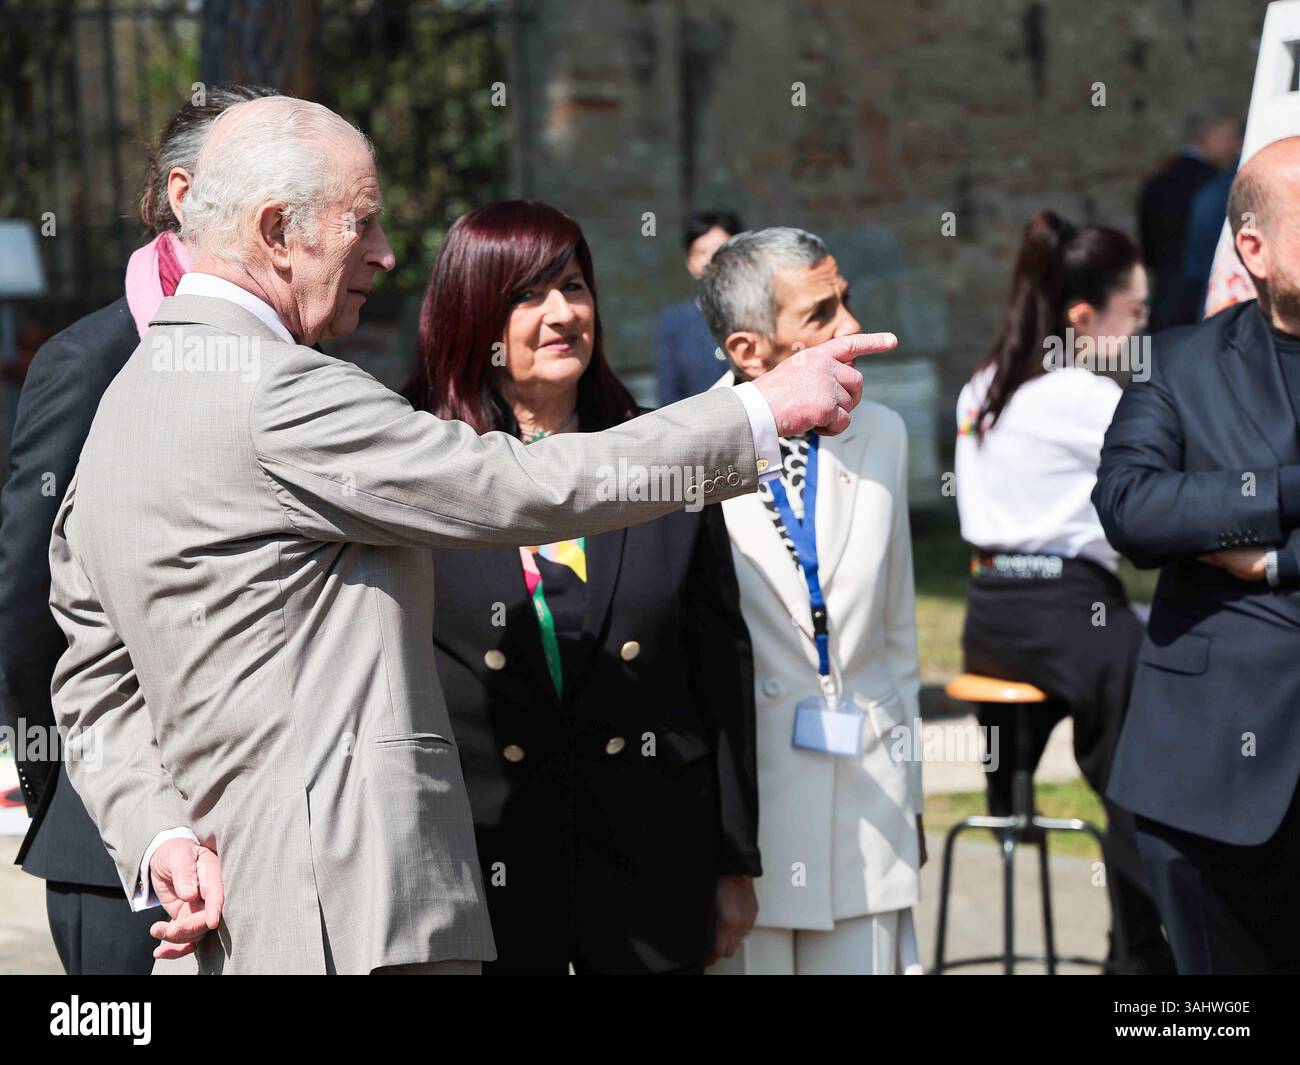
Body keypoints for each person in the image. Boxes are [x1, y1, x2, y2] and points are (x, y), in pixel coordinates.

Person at [47, 96, 891, 974]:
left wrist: (161, 833)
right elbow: (517, 482)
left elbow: (92, 680)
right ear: (277, 232)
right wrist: (760, 408)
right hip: (350, 920)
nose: (385, 253)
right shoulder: (282, 393)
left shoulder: (121, 410)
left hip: (230, 925)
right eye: (363, 224)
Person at [402, 200, 760, 974]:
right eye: (527, 294)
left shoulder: (664, 452)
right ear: (475, 316)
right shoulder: (416, 467)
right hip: (482, 865)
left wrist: (734, 861)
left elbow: (718, 666)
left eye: (573, 285)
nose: (561, 313)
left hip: (648, 868)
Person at [0, 83, 278, 975]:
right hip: (120, 845)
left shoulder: (298, 359)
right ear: (187, 195)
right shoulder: (93, 358)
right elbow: (24, 594)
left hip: (274, 833)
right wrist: (72, 781)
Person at [1095, 137, 1300, 974]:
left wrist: (1277, 561)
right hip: (1212, 784)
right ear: (1254, 246)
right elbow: (1132, 507)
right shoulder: (1177, 365)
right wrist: (1284, 490)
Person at [696, 227, 924, 975]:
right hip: (753, 834)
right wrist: (717, 846)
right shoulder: (682, 451)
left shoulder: (883, 433)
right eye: (821, 314)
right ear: (748, 351)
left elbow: (898, 637)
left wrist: (912, 796)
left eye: (847, 299)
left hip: (869, 807)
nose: (851, 327)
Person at [954, 209, 1173, 974]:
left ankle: (1135, 944)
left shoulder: (981, 386)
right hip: (1065, 609)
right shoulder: (1086, 395)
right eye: (1137, 311)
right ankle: (1149, 962)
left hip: (990, 615)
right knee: (1155, 777)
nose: (1145, 324)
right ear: (1085, 316)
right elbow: (1162, 498)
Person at [1138, 106, 1241, 331]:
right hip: (1201, 298)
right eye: (1229, 136)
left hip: (1163, 297)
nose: (1236, 146)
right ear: (1205, 136)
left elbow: (1149, 253)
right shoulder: (1216, 186)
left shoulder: (1156, 182)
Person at [655, 209, 743, 405]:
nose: (712, 259)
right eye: (702, 252)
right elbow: (667, 391)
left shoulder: (759, 313)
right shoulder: (675, 321)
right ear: (690, 263)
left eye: (721, 249)